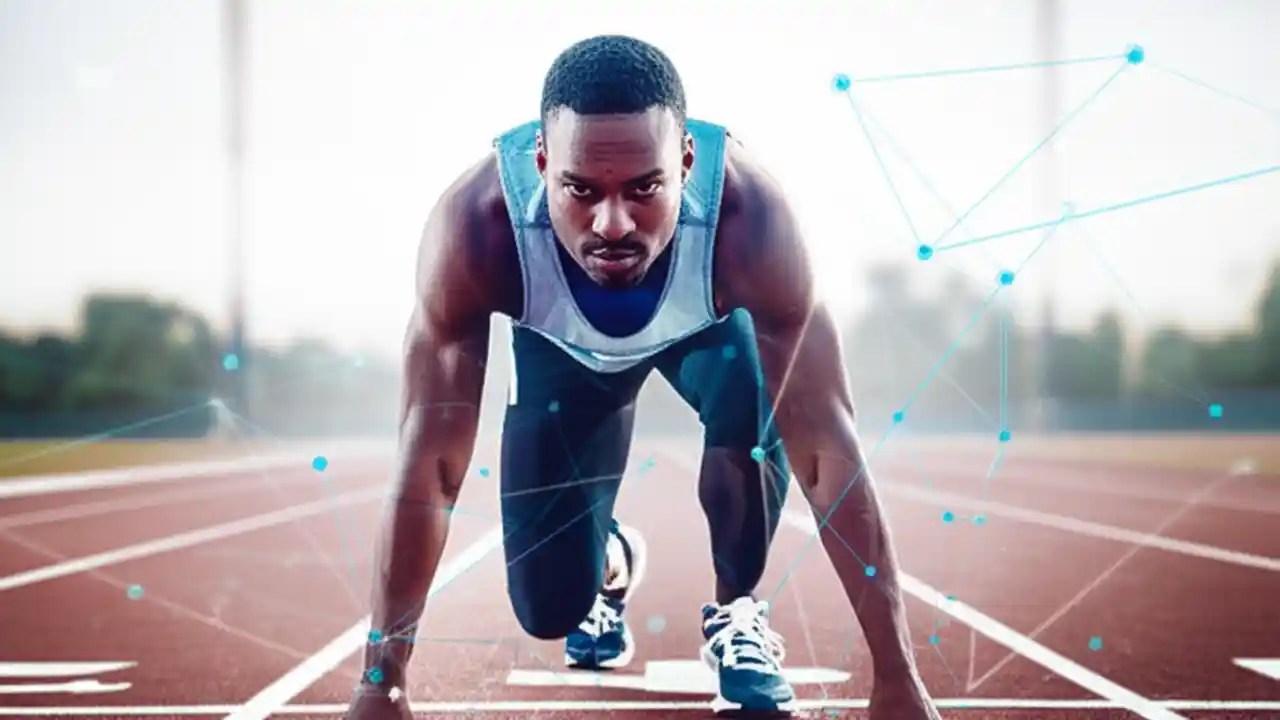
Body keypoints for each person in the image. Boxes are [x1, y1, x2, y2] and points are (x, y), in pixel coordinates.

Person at [345, 34, 941, 720]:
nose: (613, 224)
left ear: (686, 162)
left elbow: (825, 455)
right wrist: (380, 681)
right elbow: (432, 467)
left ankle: (736, 612)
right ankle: (610, 558)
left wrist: (896, 675)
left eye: (644, 188)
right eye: (580, 190)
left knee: (759, 405)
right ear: (541, 163)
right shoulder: (476, 231)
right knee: (547, 606)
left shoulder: (753, 225)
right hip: (566, 357)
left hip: (711, 339)